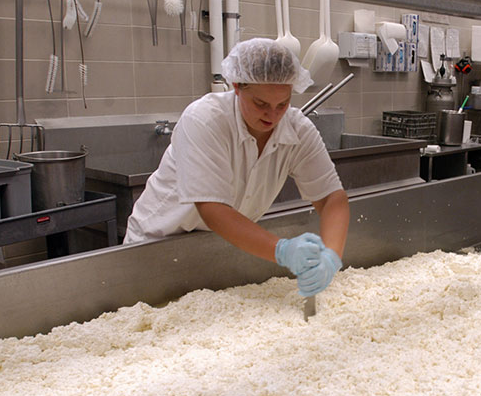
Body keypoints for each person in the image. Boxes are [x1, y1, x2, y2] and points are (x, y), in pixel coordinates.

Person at [124, 38, 349, 297]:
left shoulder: (297, 129)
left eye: (282, 104)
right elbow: (213, 209)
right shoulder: (205, 120)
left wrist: (331, 257)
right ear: (237, 87)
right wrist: (282, 250)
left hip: (222, 245)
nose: (272, 115)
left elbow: (331, 198)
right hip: (157, 247)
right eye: (260, 104)